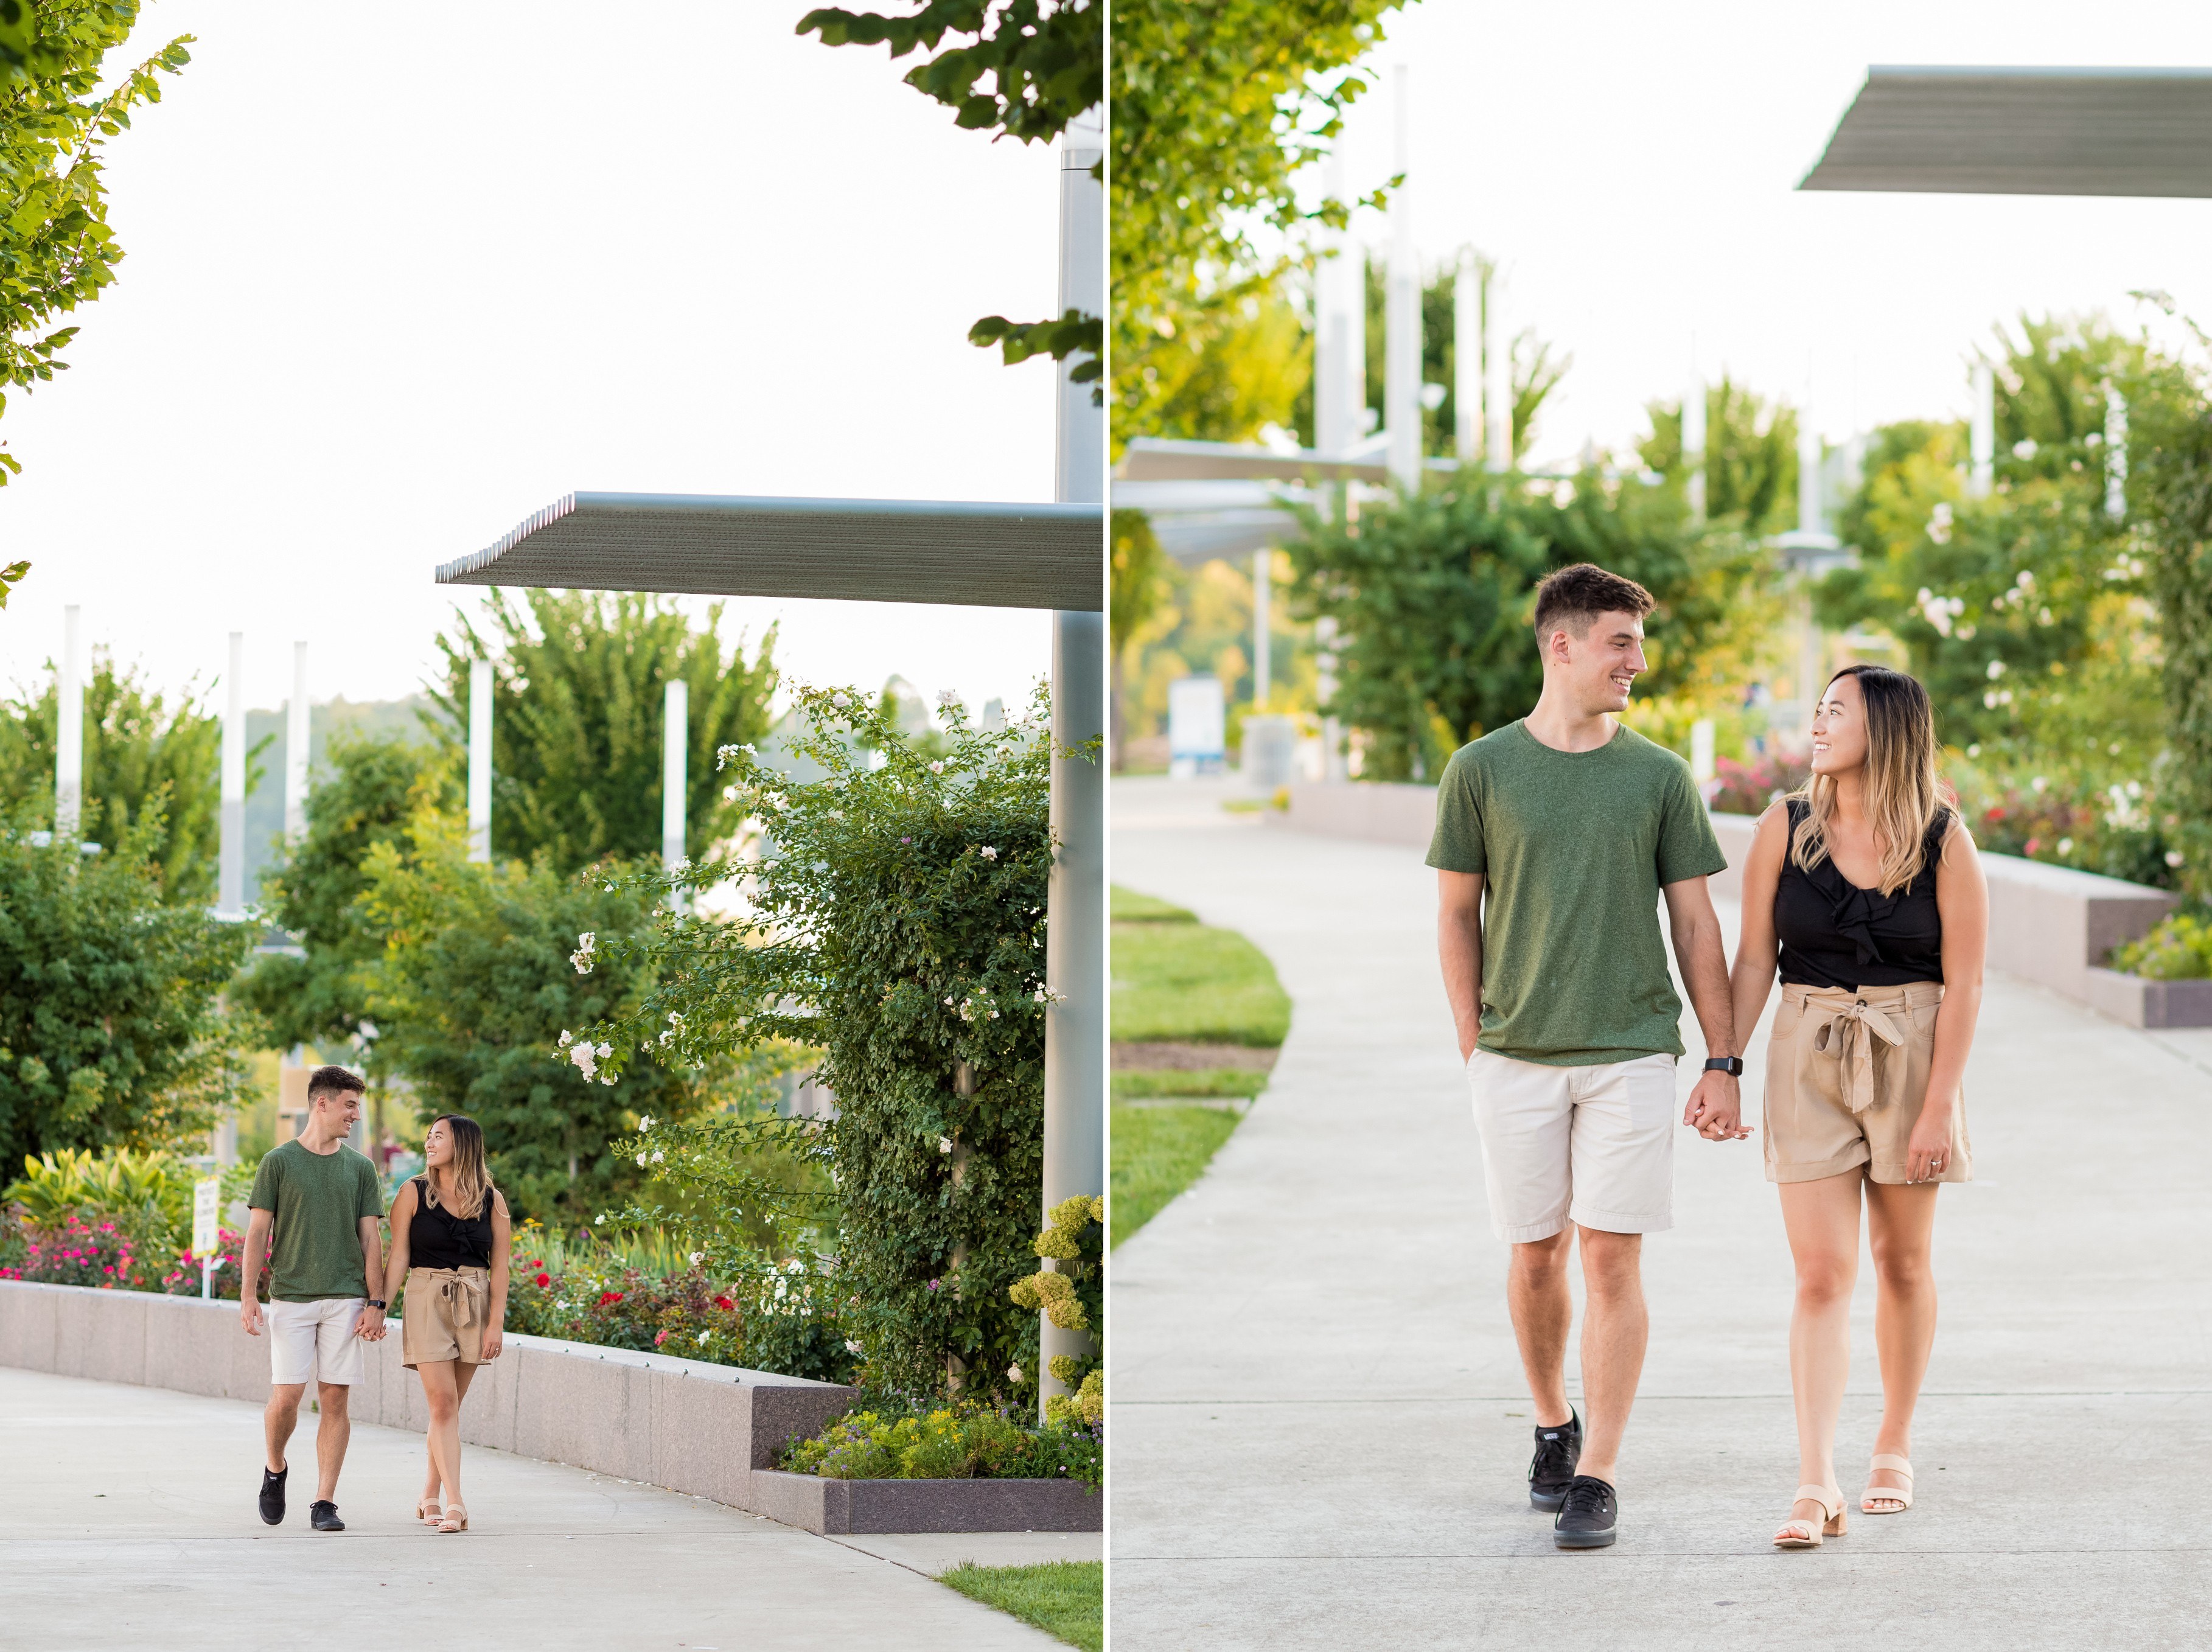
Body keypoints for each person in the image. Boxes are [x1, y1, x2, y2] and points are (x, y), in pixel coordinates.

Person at [1430, 563, 1746, 1552]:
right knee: (1535, 1257)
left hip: (1632, 1053)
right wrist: (1473, 1045)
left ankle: (1599, 1471)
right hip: (1515, 1056)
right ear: (1560, 645)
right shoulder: (1479, 771)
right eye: (1621, 642)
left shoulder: (1658, 777)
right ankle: (1551, 1421)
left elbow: (1697, 928)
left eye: (1639, 645)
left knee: (1611, 1255)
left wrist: (1723, 1059)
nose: (1638, 664)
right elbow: (1453, 913)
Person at [1727, 664, 1986, 1549]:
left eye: (1838, 708)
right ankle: (1814, 1478)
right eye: (1819, 707)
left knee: (1901, 1260)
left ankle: (1892, 1442)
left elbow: (1966, 979)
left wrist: (1935, 1108)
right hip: (1807, 1045)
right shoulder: (1782, 825)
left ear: (1887, 726)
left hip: (1910, 1049)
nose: (1819, 720)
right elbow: (1754, 956)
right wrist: (1723, 1059)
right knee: (1818, 1272)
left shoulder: (1944, 838)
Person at [240, 1064, 388, 1532]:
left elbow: (371, 1239)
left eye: (357, 1107)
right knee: (286, 1397)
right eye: (349, 1105)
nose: (355, 1116)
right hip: (293, 1296)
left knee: (335, 1399)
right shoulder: (279, 1161)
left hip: (346, 1297)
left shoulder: (361, 1167)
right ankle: (275, 1466)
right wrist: (248, 1295)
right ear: (321, 1103)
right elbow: (258, 1232)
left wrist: (376, 1301)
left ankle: (325, 1501)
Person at [380, 1112, 512, 1533]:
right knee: (442, 1403)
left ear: (463, 1143)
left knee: (449, 1408)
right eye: (429, 1136)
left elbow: (502, 1267)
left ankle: (428, 1495)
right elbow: (398, 1254)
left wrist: (496, 1323)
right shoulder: (412, 1192)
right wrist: (378, 1304)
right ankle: (456, 1502)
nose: (429, 1142)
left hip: (473, 1300)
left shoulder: (492, 1198)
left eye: (439, 1136)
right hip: (425, 1296)